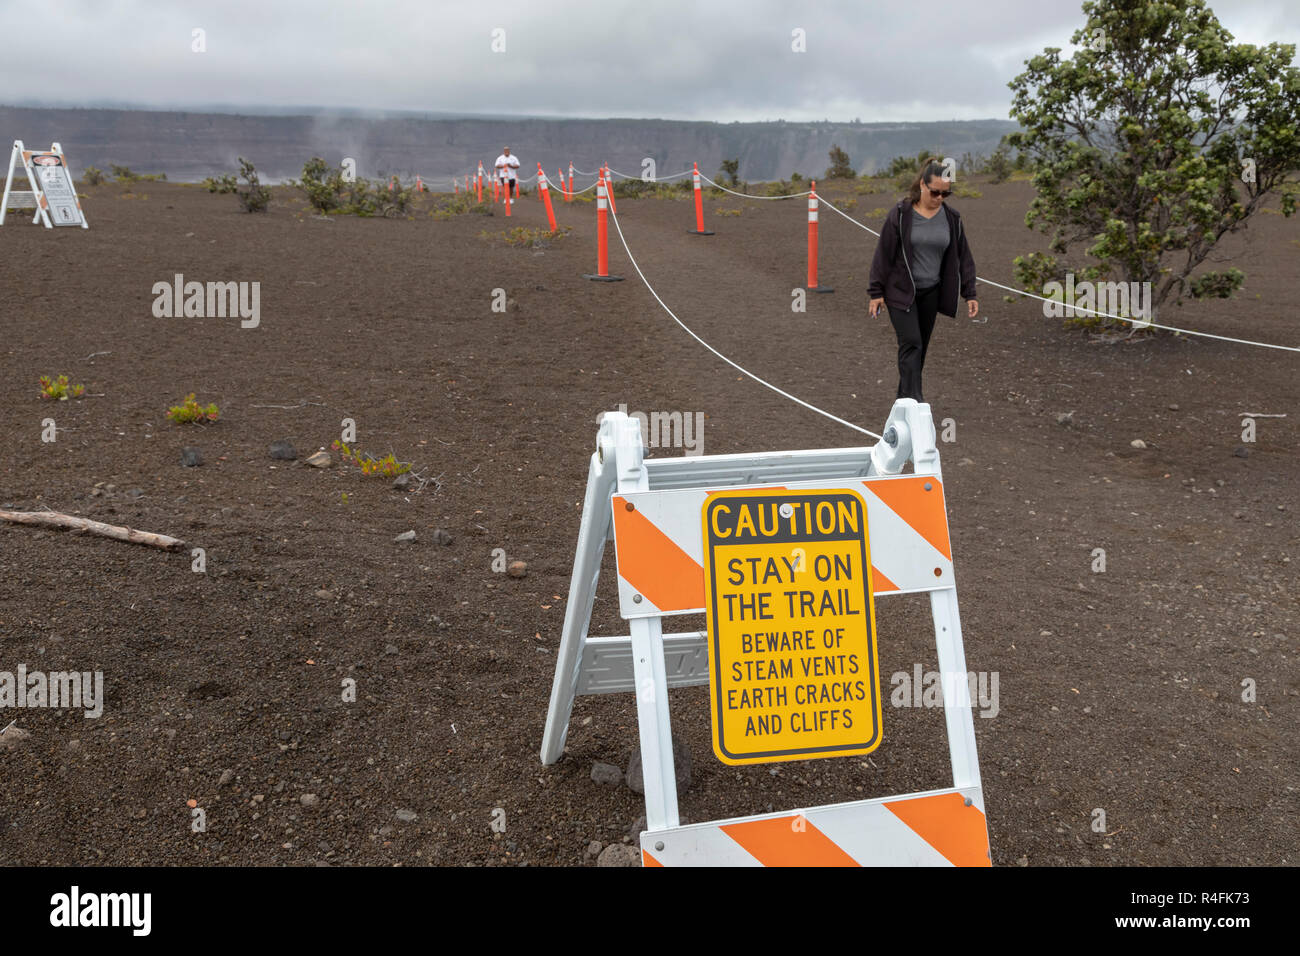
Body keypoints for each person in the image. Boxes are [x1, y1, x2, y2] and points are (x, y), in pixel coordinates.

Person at [868, 158, 978, 404]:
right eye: (935, 192)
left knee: (920, 350)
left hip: (931, 293)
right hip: (900, 292)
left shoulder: (952, 218)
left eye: (946, 193)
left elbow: (963, 256)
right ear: (922, 185)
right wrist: (876, 292)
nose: (940, 197)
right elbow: (883, 254)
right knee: (912, 343)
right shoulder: (901, 214)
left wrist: (969, 293)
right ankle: (915, 401)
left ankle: (903, 399)